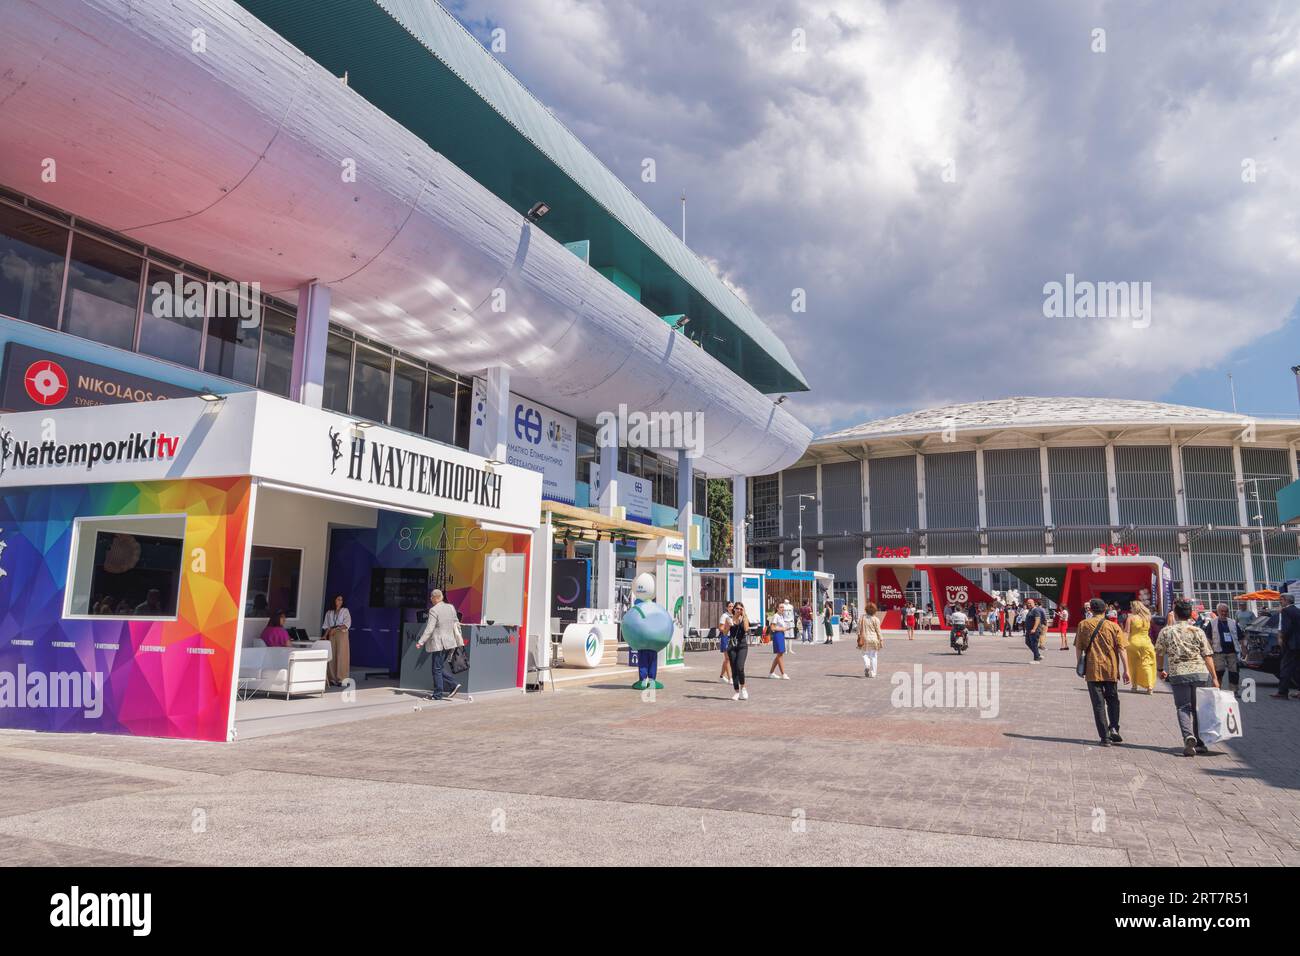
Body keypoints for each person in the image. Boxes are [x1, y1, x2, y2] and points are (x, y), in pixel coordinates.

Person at [1155, 598, 1219, 755]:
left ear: (1175, 614)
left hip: (1179, 674)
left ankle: (1188, 736)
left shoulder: (1166, 631)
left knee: (1183, 707)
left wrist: (1160, 669)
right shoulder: (1198, 631)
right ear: (1190, 614)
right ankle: (1200, 743)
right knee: (1199, 709)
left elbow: (1159, 652)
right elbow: (1208, 655)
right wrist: (1215, 677)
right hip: (1200, 673)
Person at [1075, 597, 1130, 746]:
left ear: (1091, 610)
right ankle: (1114, 728)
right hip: (1110, 669)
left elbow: (1079, 648)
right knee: (1113, 700)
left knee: (1098, 704)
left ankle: (1105, 737)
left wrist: (1080, 665)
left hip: (1092, 669)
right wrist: (1126, 670)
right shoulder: (1114, 627)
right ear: (1105, 610)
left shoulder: (1083, 625)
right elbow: (1122, 649)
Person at [415, 589, 462, 700]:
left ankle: (440, 693)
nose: (430, 600)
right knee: (439, 668)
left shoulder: (433, 610)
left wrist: (421, 642)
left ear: (435, 598)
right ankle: (450, 686)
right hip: (450, 643)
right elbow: (456, 623)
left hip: (439, 643)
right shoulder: (451, 607)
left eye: (431, 597)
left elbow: (430, 628)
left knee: (436, 669)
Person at [1272, 592, 1300, 700]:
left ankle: (1283, 692)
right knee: (1297, 668)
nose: (1280, 602)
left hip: (1290, 644)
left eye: (1281, 600)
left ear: (1285, 600)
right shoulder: (1298, 610)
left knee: (1285, 667)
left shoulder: (1285, 611)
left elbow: (1286, 627)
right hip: (1298, 644)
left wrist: (1282, 638)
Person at [1125, 598, 1156, 693]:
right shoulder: (1147, 618)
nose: (1130, 609)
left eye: (1131, 607)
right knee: (1146, 663)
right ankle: (1149, 686)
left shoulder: (1130, 617)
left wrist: (1122, 643)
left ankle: (1134, 686)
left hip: (1133, 643)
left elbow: (1126, 631)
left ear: (1135, 608)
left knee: (1133, 665)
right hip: (1146, 643)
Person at [1211, 602, 1242, 695]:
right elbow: (1208, 638)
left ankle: (1234, 691)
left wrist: (1243, 649)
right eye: (1222, 611)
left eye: (1226, 611)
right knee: (1219, 671)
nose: (1224, 613)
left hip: (1232, 651)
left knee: (1234, 672)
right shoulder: (1212, 623)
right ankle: (1217, 690)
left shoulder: (1232, 622)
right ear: (1218, 611)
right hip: (1218, 651)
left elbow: (1241, 636)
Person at [322, 594, 352, 687]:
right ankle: (332, 678)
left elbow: (347, 624)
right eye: (338, 599)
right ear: (334, 600)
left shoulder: (345, 611)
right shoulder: (329, 612)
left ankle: (342, 679)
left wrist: (336, 629)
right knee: (332, 655)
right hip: (332, 634)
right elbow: (327, 626)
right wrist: (324, 636)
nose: (340, 601)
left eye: (341, 600)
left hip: (341, 633)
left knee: (341, 655)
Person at [729, 605, 750, 700]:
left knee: (740, 667)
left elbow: (746, 629)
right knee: (734, 669)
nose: (739, 610)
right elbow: (724, 632)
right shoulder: (729, 619)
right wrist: (727, 625)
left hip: (742, 646)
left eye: (741, 609)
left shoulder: (744, 618)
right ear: (734, 609)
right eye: (737, 608)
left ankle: (743, 687)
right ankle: (736, 691)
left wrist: (744, 615)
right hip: (732, 646)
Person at [858, 602, 884, 678]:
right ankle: (873, 673)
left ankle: (867, 664)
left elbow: (858, 629)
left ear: (866, 610)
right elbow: (878, 631)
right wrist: (881, 640)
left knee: (864, 654)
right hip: (874, 639)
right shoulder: (876, 619)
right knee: (874, 656)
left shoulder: (862, 618)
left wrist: (859, 635)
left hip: (864, 639)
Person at [768, 608, 790, 679]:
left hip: (781, 635)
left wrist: (785, 628)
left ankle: (771, 673)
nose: (783, 609)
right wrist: (782, 629)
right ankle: (783, 673)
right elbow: (772, 628)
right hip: (777, 635)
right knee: (780, 654)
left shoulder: (781, 616)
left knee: (779, 655)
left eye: (783, 607)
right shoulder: (776, 616)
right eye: (781, 607)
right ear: (777, 608)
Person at [1022, 598, 1045, 662]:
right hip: (1029, 630)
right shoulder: (1030, 610)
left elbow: (1037, 620)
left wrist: (1034, 629)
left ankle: (1036, 658)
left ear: (1033, 603)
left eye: (1030, 603)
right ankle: (1037, 654)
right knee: (1027, 642)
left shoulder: (1036, 610)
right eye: (1028, 603)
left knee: (1034, 644)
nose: (1029, 604)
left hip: (1034, 630)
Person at [718, 602, 735, 683]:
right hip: (725, 637)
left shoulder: (735, 615)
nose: (731, 607)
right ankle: (730, 678)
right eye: (729, 606)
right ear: (726, 607)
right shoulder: (724, 616)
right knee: (728, 658)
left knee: (728, 659)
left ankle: (721, 676)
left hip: (732, 638)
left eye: (732, 606)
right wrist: (726, 629)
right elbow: (720, 628)